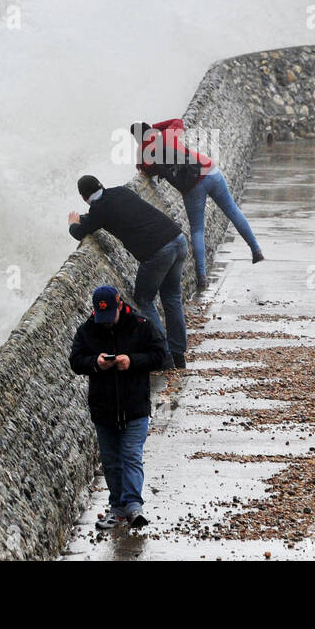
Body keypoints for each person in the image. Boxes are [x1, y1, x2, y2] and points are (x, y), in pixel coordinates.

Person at [69, 285, 170, 530]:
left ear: (119, 305)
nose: (105, 323)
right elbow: (75, 361)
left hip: (134, 407)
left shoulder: (141, 325)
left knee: (131, 456)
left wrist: (131, 361)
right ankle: (117, 509)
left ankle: (134, 507)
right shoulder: (87, 329)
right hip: (103, 410)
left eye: (109, 316)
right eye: (100, 317)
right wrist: (95, 363)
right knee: (112, 461)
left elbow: (161, 356)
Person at [68, 174, 189, 369]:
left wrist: (73, 222)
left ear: (83, 198)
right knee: (172, 297)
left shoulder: (99, 210)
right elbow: (113, 211)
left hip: (159, 252)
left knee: (144, 299)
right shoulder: (121, 191)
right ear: (102, 184)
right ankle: (178, 354)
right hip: (177, 239)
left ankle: (163, 355)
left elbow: (79, 232)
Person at [130, 119, 263, 288]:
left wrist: (142, 146)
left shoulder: (146, 154)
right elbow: (179, 121)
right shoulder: (166, 136)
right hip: (209, 171)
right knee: (233, 211)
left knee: (197, 229)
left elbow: (142, 169)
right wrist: (154, 128)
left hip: (191, 188)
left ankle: (202, 277)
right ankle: (256, 250)